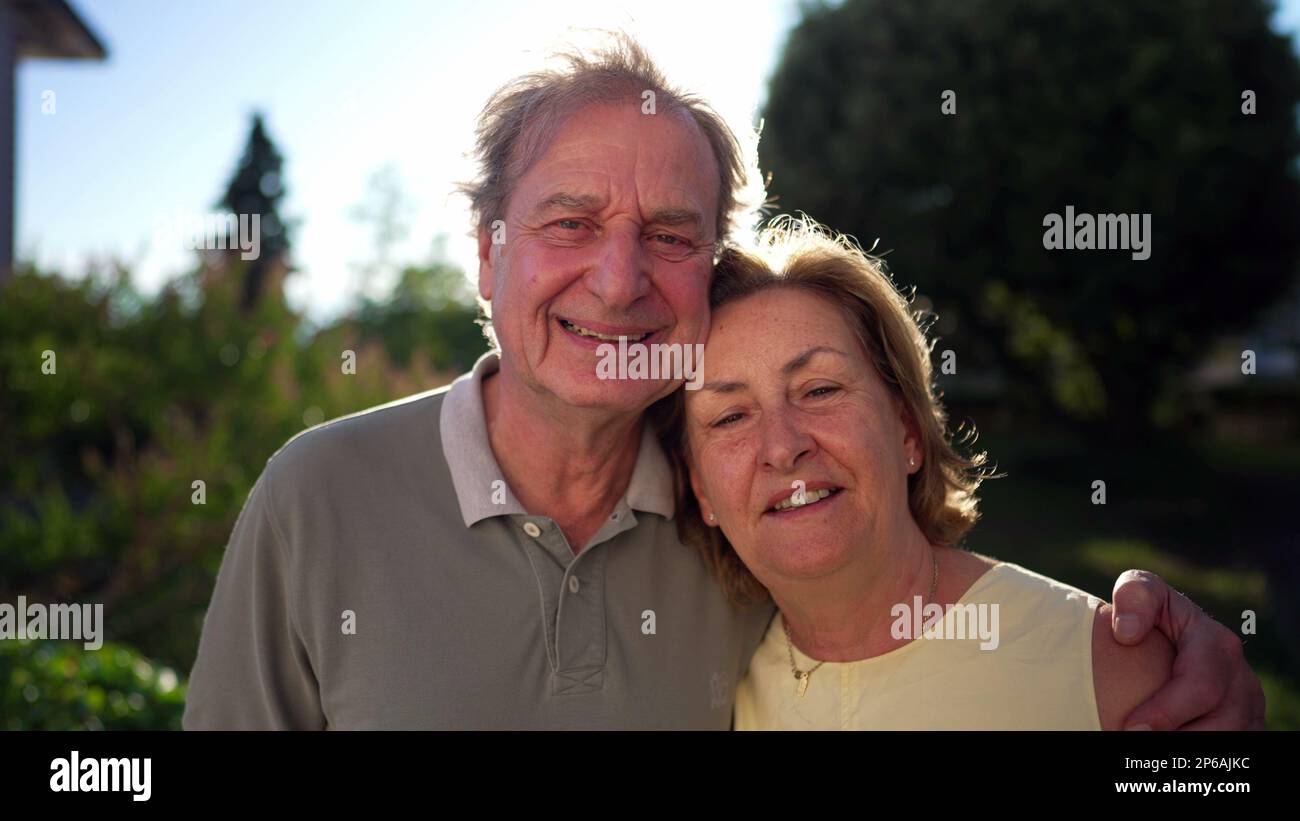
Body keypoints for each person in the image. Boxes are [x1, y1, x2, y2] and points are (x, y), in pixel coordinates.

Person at [183, 33, 1265, 730]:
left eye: (666, 233)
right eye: (570, 223)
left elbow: (923, 622)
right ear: (485, 251)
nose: (616, 279)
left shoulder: (742, 526)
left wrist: (1164, 658)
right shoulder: (318, 495)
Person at [672, 218, 1197, 728]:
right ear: (703, 491)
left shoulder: (1109, 665)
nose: (783, 447)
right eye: (731, 416)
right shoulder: (719, 696)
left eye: (820, 390)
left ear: (907, 431)